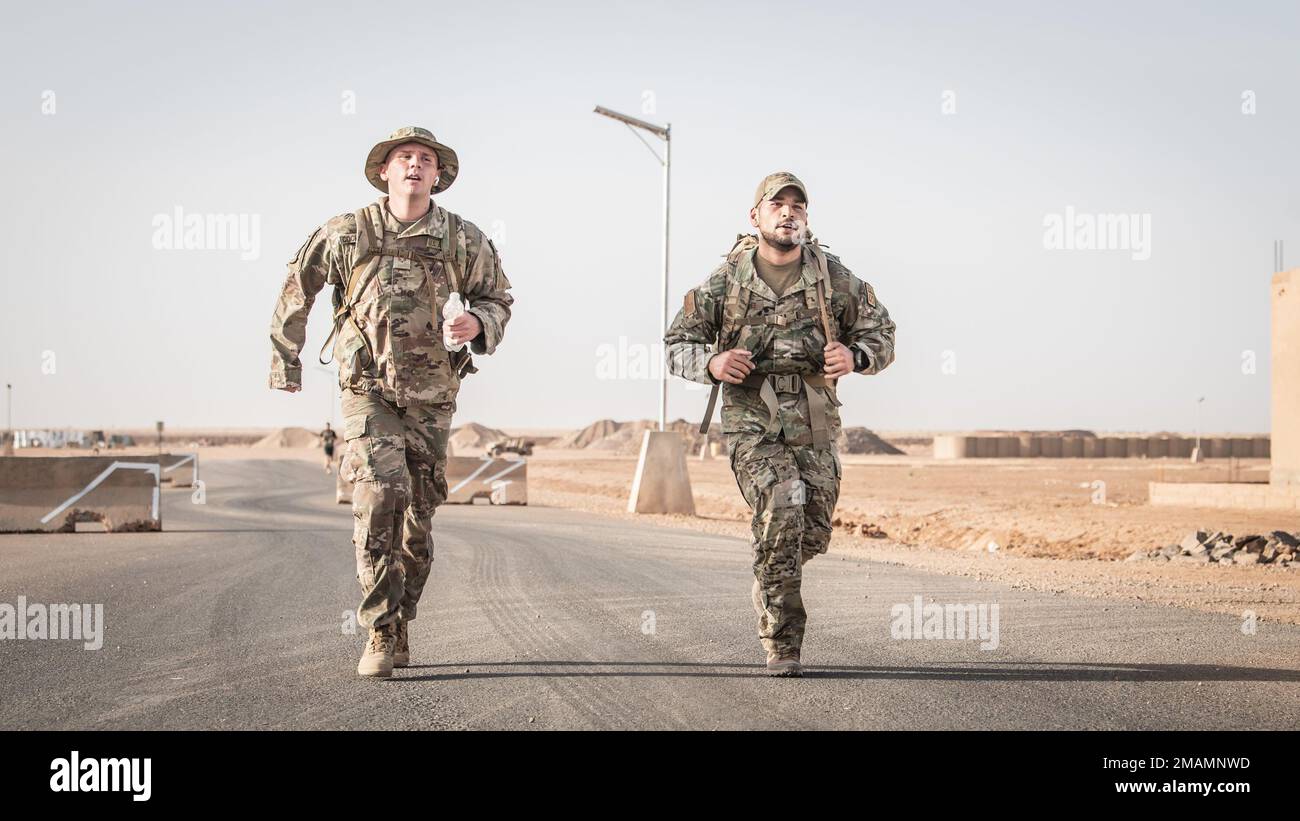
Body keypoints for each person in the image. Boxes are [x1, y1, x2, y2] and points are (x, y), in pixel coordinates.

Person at [269, 126, 513, 677]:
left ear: (437, 175)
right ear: (384, 170)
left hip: (432, 395)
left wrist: (478, 321)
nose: (414, 166)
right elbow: (297, 286)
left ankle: (402, 619)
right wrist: (286, 358)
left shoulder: (461, 238)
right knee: (381, 496)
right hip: (366, 390)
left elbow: (498, 298)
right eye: (404, 157)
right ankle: (379, 631)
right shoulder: (348, 232)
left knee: (418, 519)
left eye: (425, 159)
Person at [664, 172, 895, 676]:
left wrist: (855, 356)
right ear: (757, 216)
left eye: (798, 206)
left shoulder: (833, 278)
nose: (788, 212)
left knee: (809, 532)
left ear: (806, 218)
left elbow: (882, 332)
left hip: (815, 417)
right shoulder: (725, 282)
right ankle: (782, 644)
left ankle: (771, 568)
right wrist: (712, 363)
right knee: (781, 503)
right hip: (752, 417)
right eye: (778, 205)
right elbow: (676, 344)